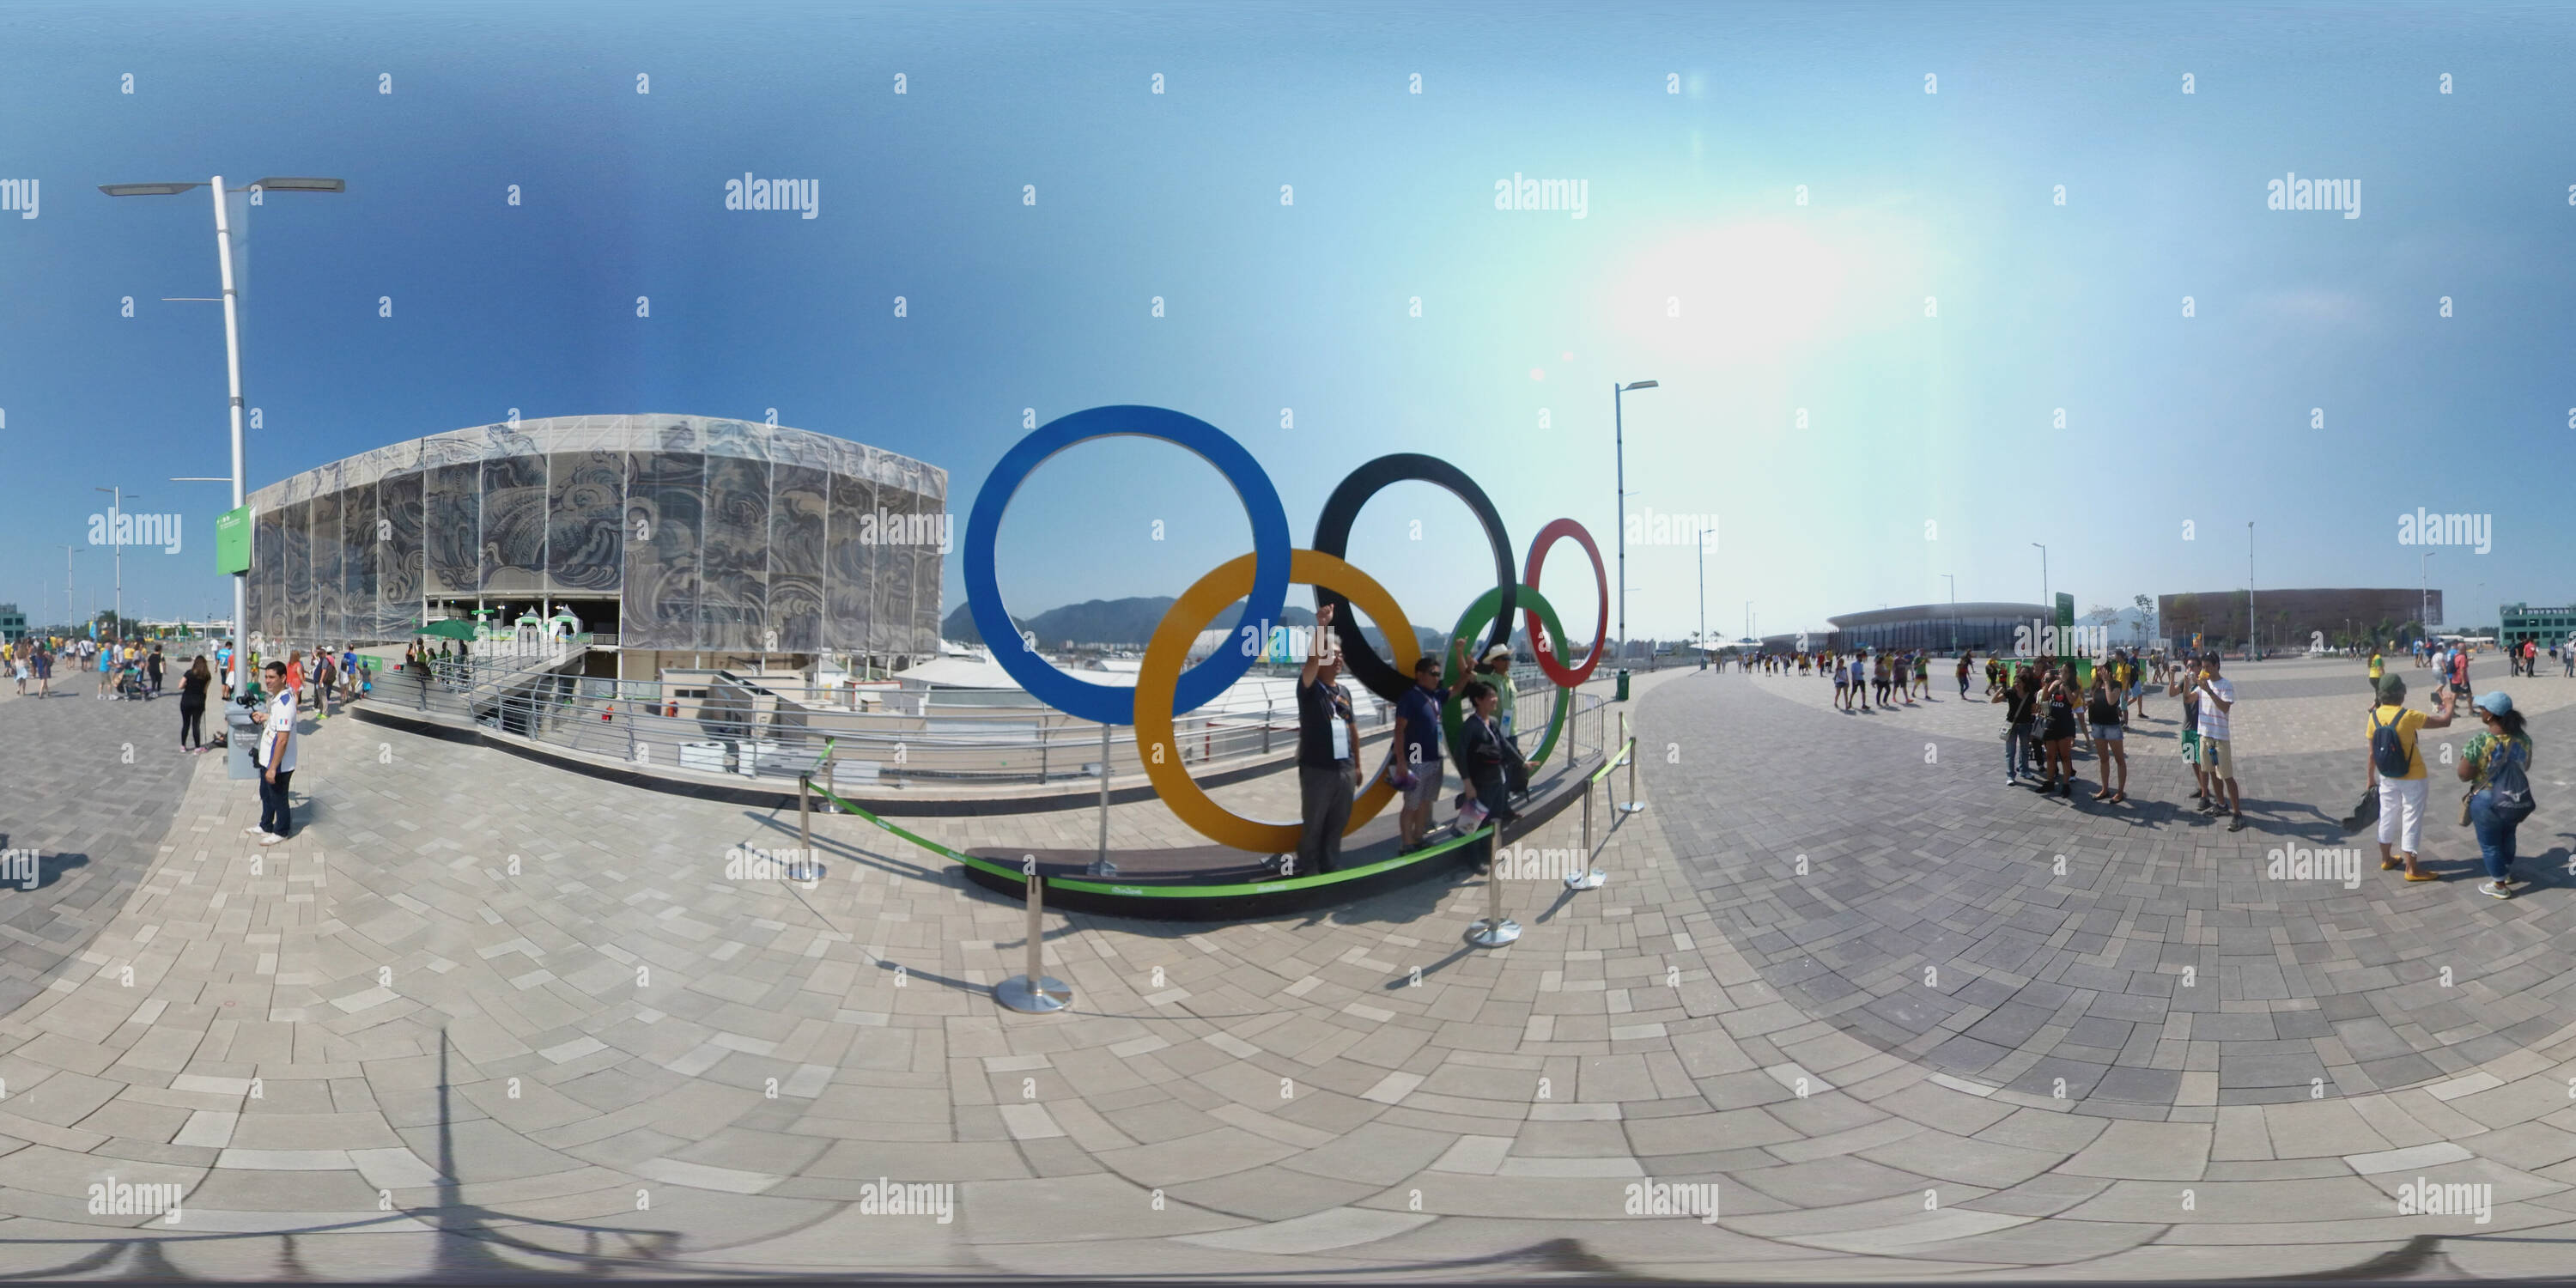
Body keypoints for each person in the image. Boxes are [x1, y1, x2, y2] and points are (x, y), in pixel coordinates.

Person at [1293, 604, 1361, 876]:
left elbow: (1352, 729)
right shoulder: (1309, 687)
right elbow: (1311, 662)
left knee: (1338, 820)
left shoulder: (1344, 691)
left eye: (1340, 654)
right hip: (1317, 768)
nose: (1338, 658)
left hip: (1344, 769)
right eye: (1332, 654)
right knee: (1314, 821)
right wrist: (1322, 625)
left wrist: (1357, 765)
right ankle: (1309, 866)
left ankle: (1330, 861)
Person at [2365, 674, 2452, 882]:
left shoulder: (2373, 717)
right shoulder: (2408, 716)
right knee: (2411, 818)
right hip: (2413, 776)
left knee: (2387, 814)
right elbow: (2445, 722)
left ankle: (2386, 859)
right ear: (2401, 695)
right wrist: (2449, 703)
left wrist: (2370, 778)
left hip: (2386, 775)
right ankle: (2411, 869)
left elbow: (2371, 753)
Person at [1384, 642, 1467, 854]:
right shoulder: (1410, 698)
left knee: (1425, 802)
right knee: (1411, 803)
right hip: (1416, 757)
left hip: (1434, 757)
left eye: (1438, 674)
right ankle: (1406, 843)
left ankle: (1418, 837)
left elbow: (1458, 688)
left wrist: (1462, 658)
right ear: (1419, 674)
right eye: (1433, 673)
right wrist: (1403, 762)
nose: (1437, 677)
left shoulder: (1436, 696)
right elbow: (1400, 730)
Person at [2460, 690, 2535, 899]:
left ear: (2490, 715)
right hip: (2513, 797)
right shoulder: (2524, 739)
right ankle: (2506, 871)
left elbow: (2463, 775)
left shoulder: (2481, 741)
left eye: (2482, 708)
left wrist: (2479, 768)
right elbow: (2525, 766)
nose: (2480, 711)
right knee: (2508, 834)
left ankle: (2499, 885)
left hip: (2486, 799)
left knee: (2490, 843)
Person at [1454, 679, 1523, 872]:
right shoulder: (1471, 726)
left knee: (1493, 818)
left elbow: (1504, 745)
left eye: (1495, 695)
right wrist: (1467, 783)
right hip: (1480, 782)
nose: (1495, 700)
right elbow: (1460, 755)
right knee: (1472, 821)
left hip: (1497, 779)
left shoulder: (1491, 722)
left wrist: (1522, 762)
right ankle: (1473, 860)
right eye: (1491, 696)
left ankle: (1488, 853)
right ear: (1477, 700)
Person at [247, 659, 299, 845]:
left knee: (279, 798)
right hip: (267, 759)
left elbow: (283, 739)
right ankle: (266, 824)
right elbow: (277, 721)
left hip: (278, 764)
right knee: (266, 794)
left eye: (272, 677)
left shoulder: (285, 704)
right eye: (266, 677)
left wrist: (272, 768)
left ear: (283, 678)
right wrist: (265, 717)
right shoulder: (278, 699)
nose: (267, 681)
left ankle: (281, 831)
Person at [2190, 653, 2245, 829]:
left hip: (2220, 737)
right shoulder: (2202, 685)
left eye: (2207, 667)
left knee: (2227, 776)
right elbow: (2187, 699)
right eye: (2203, 667)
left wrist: (2209, 691)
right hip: (2205, 735)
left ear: (2216, 666)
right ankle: (2221, 805)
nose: (2204, 670)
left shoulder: (2225, 685)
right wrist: (2188, 683)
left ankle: (2237, 814)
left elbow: (2224, 708)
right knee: (2212, 772)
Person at [2087, 666, 2128, 803]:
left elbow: (2111, 701)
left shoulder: (2116, 684)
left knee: (2119, 760)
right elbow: (2095, 701)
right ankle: (2105, 789)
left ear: (2108, 670)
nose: (2099, 672)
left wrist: (2106, 682)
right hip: (2097, 725)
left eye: (2102, 669)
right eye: (2097, 670)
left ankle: (2120, 792)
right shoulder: (2096, 684)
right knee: (2103, 759)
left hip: (2112, 726)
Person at [1994, 666, 2038, 785]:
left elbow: (2034, 711)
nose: (2016, 684)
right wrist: (1999, 691)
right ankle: (2010, 776)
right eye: (2015, 682)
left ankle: (2024, 771)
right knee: (2010, 751)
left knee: (2024, 750)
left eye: (2018, 682)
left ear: (2024, 684)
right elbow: (1994, 701)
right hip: (2011, 725)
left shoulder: (2029, 695)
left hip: (2025, 725)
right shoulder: (2010, 693)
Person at [179, 655, 211, 751]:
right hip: (199, 702)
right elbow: (205, 690)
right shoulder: (207, 675)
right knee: (196, 725)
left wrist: (188, 686)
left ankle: (183, 746)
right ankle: (197, 747)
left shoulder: (189, 673)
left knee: (186, 724)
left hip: (186, 701)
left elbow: (180, 686)